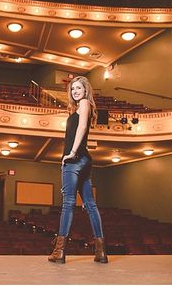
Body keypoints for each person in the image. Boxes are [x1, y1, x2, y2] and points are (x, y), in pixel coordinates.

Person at [48, 76, 108, 264]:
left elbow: (82, 127)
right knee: (90, 205)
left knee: (68, 204)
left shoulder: (84, 103)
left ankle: (59, 252)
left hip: (75, 159)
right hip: (84, 160)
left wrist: (71, 153)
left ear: (86, 90)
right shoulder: (81, 107)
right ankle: (101, 253)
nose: (75, 91)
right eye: (72, 88)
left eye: (78, 88)